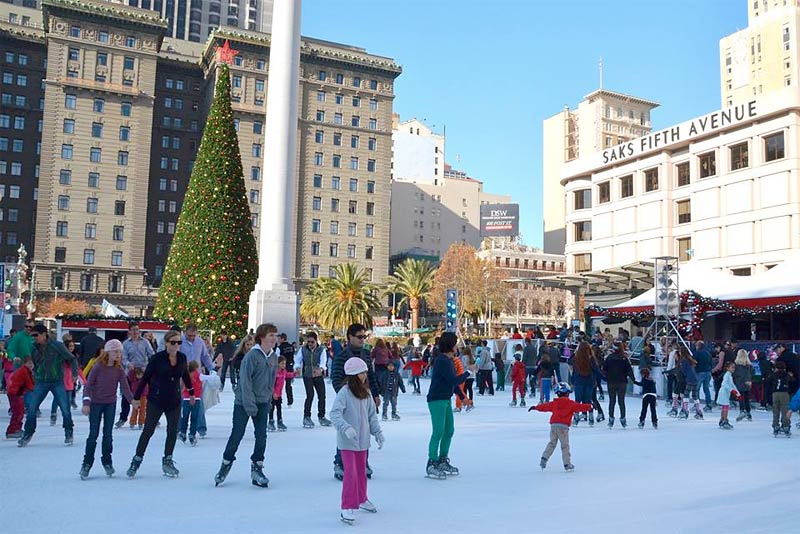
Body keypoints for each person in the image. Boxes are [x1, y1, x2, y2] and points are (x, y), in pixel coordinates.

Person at [214, 324, 278, 488]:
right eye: (271, 335)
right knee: (237, 434)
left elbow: (271, 380)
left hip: (262, 402)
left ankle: (257, 466)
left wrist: (269, 400)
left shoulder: (273, 356)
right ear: (262, 337)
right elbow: (245, 382)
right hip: (244, 403)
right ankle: (226, 464)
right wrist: (250, 405)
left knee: (261, 436)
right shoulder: (252, 356)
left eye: (275, 335)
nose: (274, 338)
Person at [126, 330, 195, 478]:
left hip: (174, 400)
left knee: (172, 431)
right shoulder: (157, 359)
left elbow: (185, 376)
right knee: (148, 430)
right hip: (156, 400)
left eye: (179, 342)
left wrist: (191, 393)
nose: (176, 345)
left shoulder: (182, 358)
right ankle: (136, 460)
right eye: (173, 342)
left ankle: (167, 460)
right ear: (166, 343)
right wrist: (136, 398)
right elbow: (145, 378)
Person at [331, 357, 385, 525]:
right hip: (348, 442)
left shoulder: (366, 392)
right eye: (361, 372)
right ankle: (347, 505)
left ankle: (361, 499)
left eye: (365, 372)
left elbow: (371, 416)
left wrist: (377, 433)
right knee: (351, 474)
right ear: (353, 374)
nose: (364, 375)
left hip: (363, 442)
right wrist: (345, 428)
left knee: (361, 472)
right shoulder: (345, 392)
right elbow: (334, 414)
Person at [330, 324, 381, 481]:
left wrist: (376, 394)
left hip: (365, 398)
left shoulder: (366, 354)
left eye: (364, 337)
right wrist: (346, 396)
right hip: (349, 401)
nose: (362, 340)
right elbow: (336, 379)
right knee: (347, 432)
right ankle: (340, 463)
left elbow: (370, 375)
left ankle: (363, 462)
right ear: (350, 337)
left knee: (364, 430)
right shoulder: (342, 356)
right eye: (359, 337)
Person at [79, 340, 134, 480]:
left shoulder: (119, 369)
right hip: (96, 404)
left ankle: (107, 461)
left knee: (108, 435)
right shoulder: (97, 367)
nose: (118, 354)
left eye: (120, 352)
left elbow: (125, 387)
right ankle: (87, 463)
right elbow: (88, 386)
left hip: (110, 404)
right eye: (116, 351)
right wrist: (86, 403)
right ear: (107, 352)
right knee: (93, 434)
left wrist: (132, 400)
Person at [18, 324, 77, 447]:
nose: (34, 338)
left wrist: (74, 373)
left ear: (44, 334)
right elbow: (32, 362)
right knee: (32, 408)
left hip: (57, 381)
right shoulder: (34, 347)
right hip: (41, 381)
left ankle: (68, 431)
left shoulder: (57, 346)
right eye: (32, 336)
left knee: (65, 408)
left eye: (36, 335)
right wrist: (31, 368)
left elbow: (71, 359)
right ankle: (28, 433)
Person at [425, 332, 469, 479]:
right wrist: (467, 373)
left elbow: (451, 383)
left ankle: (443, 459)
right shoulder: (442, 361)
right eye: (455, 344)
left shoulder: (449, 361)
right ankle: (432, 462)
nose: (457, 347)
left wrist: (462, 396)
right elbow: (453, 380)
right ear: (451, 345)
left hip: (445, 399)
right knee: (438, 431)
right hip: (436, 399)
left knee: (449, 430)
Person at [531, 382, 591, 472]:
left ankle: (544, 458)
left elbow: (545, 407)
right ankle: (567, 464)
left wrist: (535, 407)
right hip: (563, 427)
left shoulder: (554, 403)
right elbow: (581, 407)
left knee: (552, 443)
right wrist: (590, 406)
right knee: (565, 446)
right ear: (567, 393)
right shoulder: (571, 404)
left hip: (553, 426)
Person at [118, 323, 155, 429]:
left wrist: (150, 366)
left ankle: (149, 417)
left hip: (143, 372)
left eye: (137, 330)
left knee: (146, 395)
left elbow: (151, 354)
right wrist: (129, 364)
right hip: (131, 372)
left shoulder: (145, 342)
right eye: (133, 330)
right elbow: (123, 358)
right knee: (127, 395)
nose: (136, 332)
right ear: (129, 331)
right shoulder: (125, 344)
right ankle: (123, 417)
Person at [294, 331, 330, 428]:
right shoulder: (303, 349)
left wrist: (321, 369)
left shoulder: (321, 350)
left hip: (318, 375)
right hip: (307, 375)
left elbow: (323, 361)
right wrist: (297, 367)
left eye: (312, 342)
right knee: (310, 395)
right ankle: (306, 417)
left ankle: (321, 416)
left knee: (322, 395)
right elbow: (297, 360)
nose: (310, 344)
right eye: (308, 342)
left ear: (316, 341)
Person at [603, 342, 634, 428]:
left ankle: (611, 418)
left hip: (611, 382)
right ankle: (623, 418)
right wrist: (634, 380)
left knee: (612, 401)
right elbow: (629, 370)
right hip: (622, 382)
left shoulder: (609, 358)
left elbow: (604, 370)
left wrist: (606, 377)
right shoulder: (624, 358)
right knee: (621, 401)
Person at [5, 356, 34, 439]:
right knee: (17, 412)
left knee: (20, 411)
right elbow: (29, 384)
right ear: (24, 364)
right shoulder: (24, 371)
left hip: (17, 393)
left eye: (32, 363)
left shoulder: (26, 370)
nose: (31, 365)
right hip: (15, 393)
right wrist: (36, 390)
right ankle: (11, 430)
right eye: (29, 363)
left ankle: (17, 428)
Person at [51, 340, 79, 425]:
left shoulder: (74, 357)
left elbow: (78, 369)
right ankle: (53, 414)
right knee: (57, 399)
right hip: (60, 381)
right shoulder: (61, 356)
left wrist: (81, 379)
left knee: (68, 400)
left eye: (72, 346)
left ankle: (67, 418)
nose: (71, 348)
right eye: (69, 346)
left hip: (70, 381)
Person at [178, 360, 204, 446]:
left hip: (186, 398)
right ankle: (192, 434)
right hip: (196, 398)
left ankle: (182, 432)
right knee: (194, 418)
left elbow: (181, 385)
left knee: (184, 417)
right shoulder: (198, 375)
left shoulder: (185, 375)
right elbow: (209, 378)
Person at [571, 342, 597, 426]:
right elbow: (595, 370)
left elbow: (573, 369)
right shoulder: (591, 359)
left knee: (577, 400)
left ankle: (576, 418)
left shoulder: (576, 358)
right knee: (588, 400)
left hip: (579, 381)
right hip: (589, 381)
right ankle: (591, 418)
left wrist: (572, 381)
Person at [268, 355, 294, 432]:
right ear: (278, 363)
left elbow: (288, 375)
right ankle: (271, 421)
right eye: (282, 363)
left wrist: (295, 373)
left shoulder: (283, 371)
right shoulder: (274, 372)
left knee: (279, 408)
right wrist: (273, 393)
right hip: (273, 394)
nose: (284, 365)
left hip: (279, 394)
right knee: (271, 408)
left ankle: (280, 421)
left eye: (284, 364)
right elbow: (271, 384)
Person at [768, 362, 794, 435]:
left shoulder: (773, 375)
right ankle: (786, 426)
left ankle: (775, 425)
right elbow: (793, 381)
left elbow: (768, 381)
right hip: (784, 393)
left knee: (775, 411)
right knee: (785, 410)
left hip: (775, 393)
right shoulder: (786, 375)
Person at [679, 346, 704, 420]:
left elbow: (684, 371)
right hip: (695, 379)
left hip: (690, 379)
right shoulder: (690, 359)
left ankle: (685, 411)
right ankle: (699, 412)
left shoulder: (684, 360)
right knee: (695, 396)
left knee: (686, 395)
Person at [717, 362, 740, 430]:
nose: (733, 369)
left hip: (726, 393)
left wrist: (738, 393)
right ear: (727, 368)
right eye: (732, 367)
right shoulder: (727, 375)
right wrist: (732, 390)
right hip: (724, 393)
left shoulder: (730, 375)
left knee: (725, 406)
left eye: (734, 367)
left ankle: (722, 420)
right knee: (726, 407)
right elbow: (724, 384)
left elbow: (733, 385)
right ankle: (724, 420)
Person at [733, 349, 753, 422]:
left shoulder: (736, 366)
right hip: (748, 383)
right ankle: (748, 412)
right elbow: (752, 373)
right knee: (746, 398)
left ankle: (742, 411)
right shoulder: (749, 365)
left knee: (741, 397)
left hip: (739, 383)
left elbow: (734, 374)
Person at [693, 340, 714, 412]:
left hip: (700, 372)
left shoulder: (697, 353)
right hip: (708, 372)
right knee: (706, 389)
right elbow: (711, 363)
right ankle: (708, 405)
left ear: (698, 346)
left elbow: (694, 363)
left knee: (696, 389)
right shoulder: (708, 353)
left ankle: (696, 405)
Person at [277, 333, 295, 406]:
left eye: (279, 338)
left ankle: (278, 400)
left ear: (283, 339)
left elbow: (277, 358)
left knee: (278, 384)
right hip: (290, 366)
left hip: (282, 368)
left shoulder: (279, 348)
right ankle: (290, 401)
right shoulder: (291, 346)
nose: (278, 340)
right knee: (288, 385)